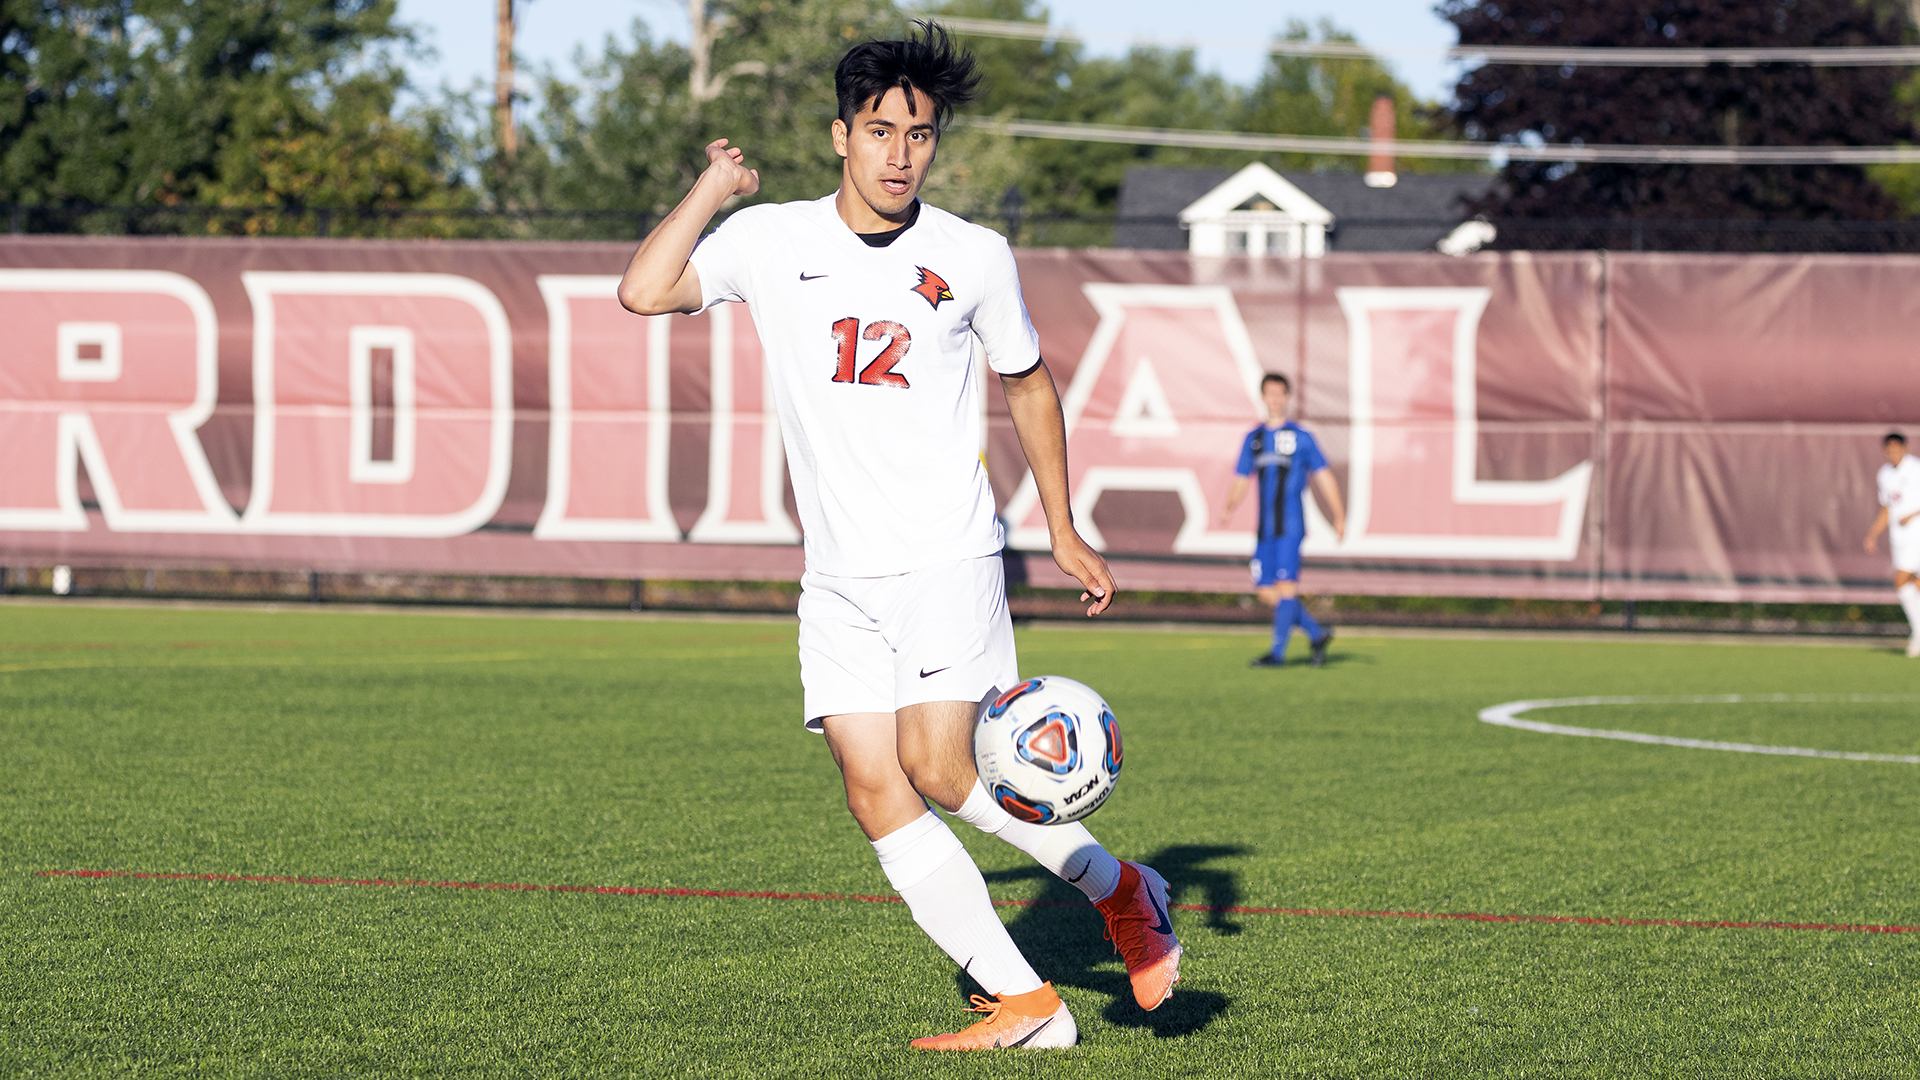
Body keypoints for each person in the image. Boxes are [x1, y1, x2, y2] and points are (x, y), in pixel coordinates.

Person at [615, 24, 1180, 1052]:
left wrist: (1060, 525)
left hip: (947, 552)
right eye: (880, 131)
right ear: (841, 136)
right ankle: (1030, 1005)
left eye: (918, 135)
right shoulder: (771, 240)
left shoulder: (971, 255)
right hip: (836, 573)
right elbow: (645, 289)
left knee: (940, 768)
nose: (900, 153)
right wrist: (711, 191)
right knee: (873, 788)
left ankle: (1125, 893)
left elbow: (1028, 384)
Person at [1216, 373, 1347, 668]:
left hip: (1290, 525)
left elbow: (1324, 476)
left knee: (1287, 587)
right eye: (1269, 394)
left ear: (1287, 397)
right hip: (1264, 528)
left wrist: (1338, 515)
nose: (1274, 400)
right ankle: (1317, 632)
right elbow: (1241, 478)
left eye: (1280, 394)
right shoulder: (1254, 438)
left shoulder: (1302, 437)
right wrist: (1228, 508)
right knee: (1266, 590)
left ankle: (1277, 654)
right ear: (1262, 397)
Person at [1864, 431, 1920, 658]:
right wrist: (1872, 534)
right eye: (1889, 449)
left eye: (1897, 448)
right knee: (1913, 584)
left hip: (1918, 532)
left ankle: (1917, 634)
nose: (1893, 453)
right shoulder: (1884, 474)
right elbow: (1886, 509)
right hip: (1899, 538)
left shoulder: (1916, 468)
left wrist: (1914, 514)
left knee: (1901, 580)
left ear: (1905, 448)